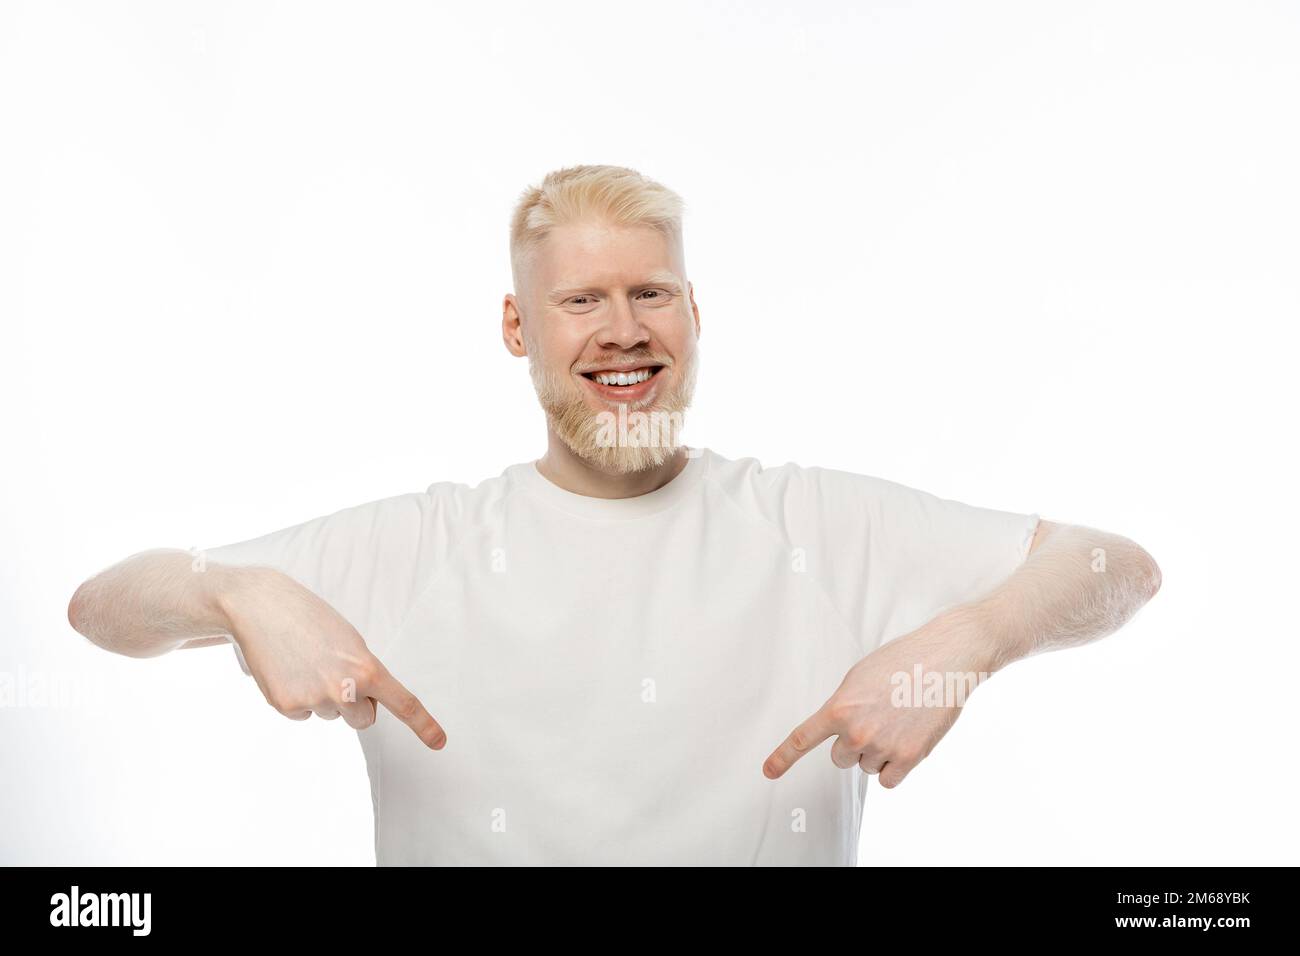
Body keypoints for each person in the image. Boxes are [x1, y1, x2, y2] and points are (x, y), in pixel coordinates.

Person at [66, 164, 1162, 866]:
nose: (622, 329)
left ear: (694, 313)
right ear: (516, 327)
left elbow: (1110, 565)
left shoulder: (814, 524)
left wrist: (965, 643)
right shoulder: (416, 544)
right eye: (580, 299)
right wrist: (231, 588)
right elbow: (102, 608)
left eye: (651, 293)